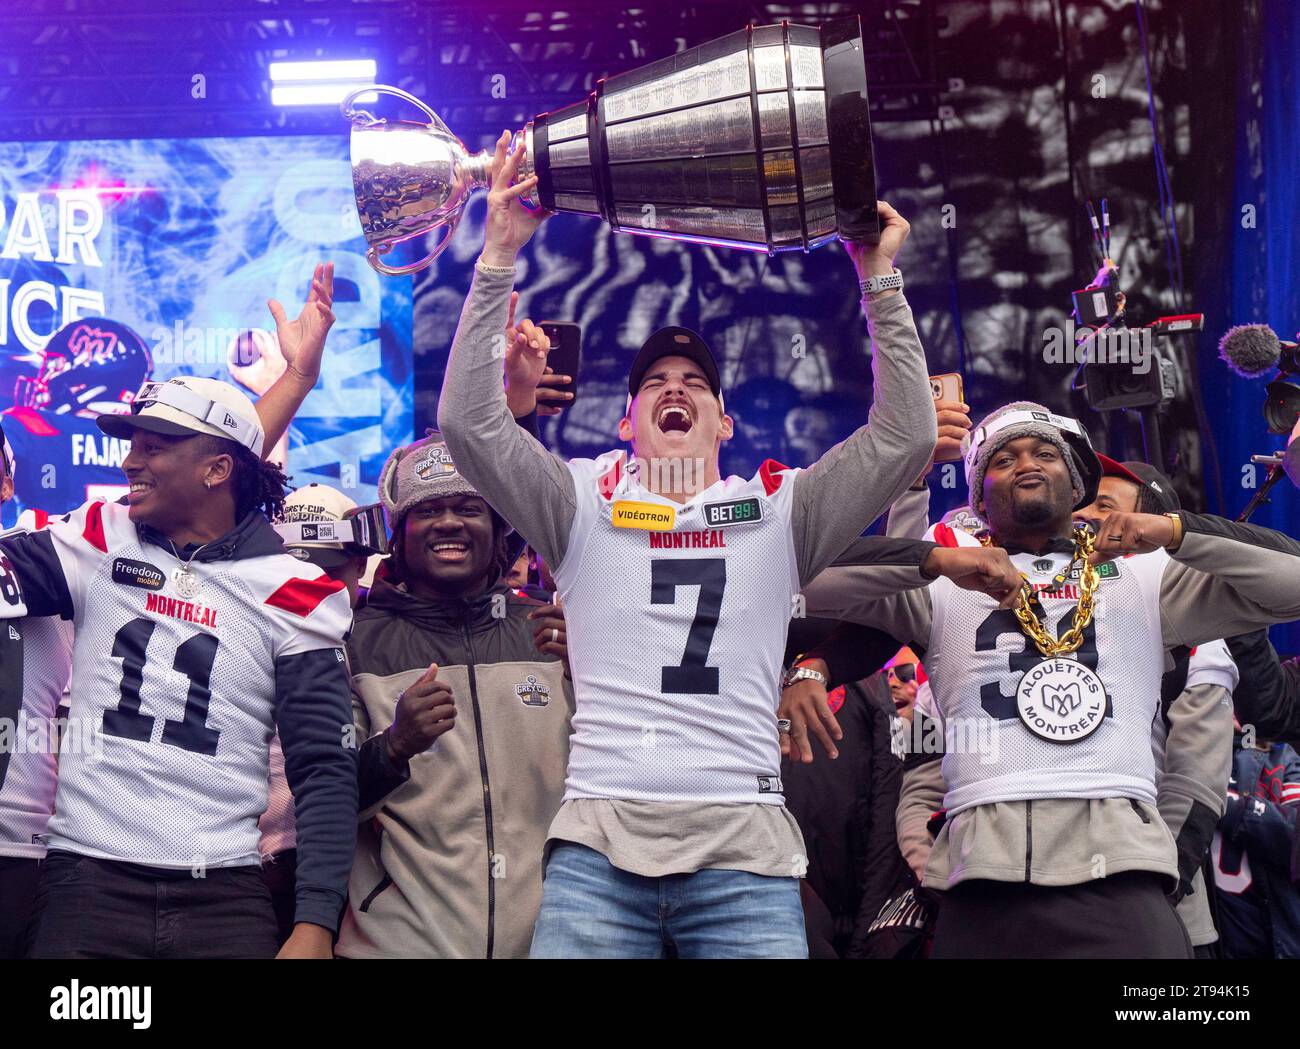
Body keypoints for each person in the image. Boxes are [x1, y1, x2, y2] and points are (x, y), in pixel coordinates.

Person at [435, 131, 1027, 958]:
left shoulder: (779, 510)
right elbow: (469, 425)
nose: (674, 388)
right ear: (628, 422)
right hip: (600, 844)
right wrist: (498, 249)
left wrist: (878, 276)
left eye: (696, 385)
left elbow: (903, 434)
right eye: (653, 386)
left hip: (744, 852)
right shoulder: (578, 502)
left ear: (726, 422)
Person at [803, 400, 1300, 958]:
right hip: (981, 879)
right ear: (978, 493)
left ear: (1078, 482)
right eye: (1002, 460)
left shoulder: (1147, 575)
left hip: (1121, 874)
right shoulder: (942, 582)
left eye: (1045, 453)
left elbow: (1292, 585)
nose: (1026, 465)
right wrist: (935, 559)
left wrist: (1178, 531)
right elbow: (803, 577)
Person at [0, 266, 338, 958]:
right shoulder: (97, 537)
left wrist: (315, 923)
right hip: (87, 885)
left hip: (224, 894)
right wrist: (293, 385)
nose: (130, 462)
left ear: (215, 471)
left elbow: (324, 769)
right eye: (133, 442)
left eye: (152, 445)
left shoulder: (297, 589)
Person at [335, 430, 574, 959]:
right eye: (428, 510)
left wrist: (585, 674)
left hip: (550, 944)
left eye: (469, 507)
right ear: (399, 533)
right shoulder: (353, 639)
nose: (448, 522)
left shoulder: (554, 631)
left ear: (498, 528)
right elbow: (324, 800)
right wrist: (395, 745)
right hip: (396, 946)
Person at [258, 481, 374, 947]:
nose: (311, 584)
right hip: (240, 870)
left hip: (339, 872)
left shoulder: (381, 641)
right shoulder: (246, 619)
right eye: (296, 567)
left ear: (360, 564)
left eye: (327, 568)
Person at [0, 426, 63, 960]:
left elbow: (196, 480)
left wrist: (295, 382)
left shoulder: (50, 557)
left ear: (6, 484)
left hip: (21, 851)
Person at [1212, 728, 1300, 958]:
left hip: (1273, 941)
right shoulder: (1175, 753)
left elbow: (1294, 835)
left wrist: (1233, 808)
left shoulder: (1280, 757)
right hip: (1206, 941)